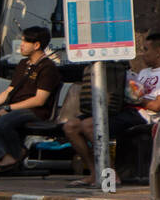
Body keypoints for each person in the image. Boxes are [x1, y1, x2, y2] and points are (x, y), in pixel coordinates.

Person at [65, 32, 160, 185]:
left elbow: (156, 106)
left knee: (90, 125)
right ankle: (94, 173)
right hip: (125, 109)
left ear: (158, 52)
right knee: (71, 126)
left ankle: (110, 173)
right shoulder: (143, 72)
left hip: (143, 114)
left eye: (146, 49)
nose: (142, 54)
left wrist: (136, 97)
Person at [0, 25, 60, 175]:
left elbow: (39, 100)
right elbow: (9, 91)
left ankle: (18, 153)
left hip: (35, 111)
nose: (21, 45)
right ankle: (5, 156)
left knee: (2, 121)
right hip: (15, 107)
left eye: (25, 42)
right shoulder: (23, 64)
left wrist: (9, 108)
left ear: (36, 45)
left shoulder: (47, 68)